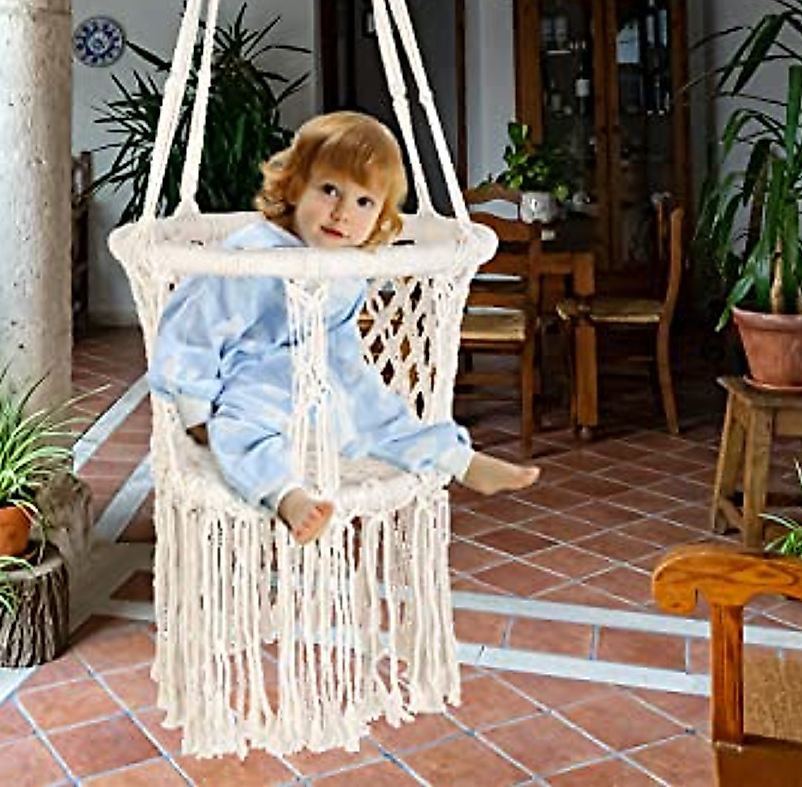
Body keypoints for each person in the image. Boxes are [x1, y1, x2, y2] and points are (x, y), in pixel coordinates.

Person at [149, 111, 540, 544]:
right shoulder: (253, 255)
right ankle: (286, 497)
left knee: (381, 412)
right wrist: (195, 408)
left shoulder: (347, 268)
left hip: (324, 370)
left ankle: (458, 459)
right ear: (295, 187)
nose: (341, 213)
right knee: (242, 428)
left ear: (380, 217)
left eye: (363, 202)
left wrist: (354, 386)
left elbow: (338, 336)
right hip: (253, 371)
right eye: (329, 190)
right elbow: (196, 328)